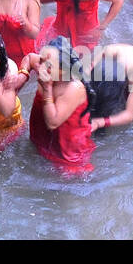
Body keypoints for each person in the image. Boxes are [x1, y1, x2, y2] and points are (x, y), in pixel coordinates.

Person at [30, 37, 95, 175]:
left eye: (48, 66)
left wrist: (47, 89)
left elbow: (53, 122)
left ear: (63, 70)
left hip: (67, 156)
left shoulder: (74, 88)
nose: (41, 68)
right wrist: (22, 75)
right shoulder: (46, 69)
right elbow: (30, 58)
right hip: (42, 143)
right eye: (42, 61)